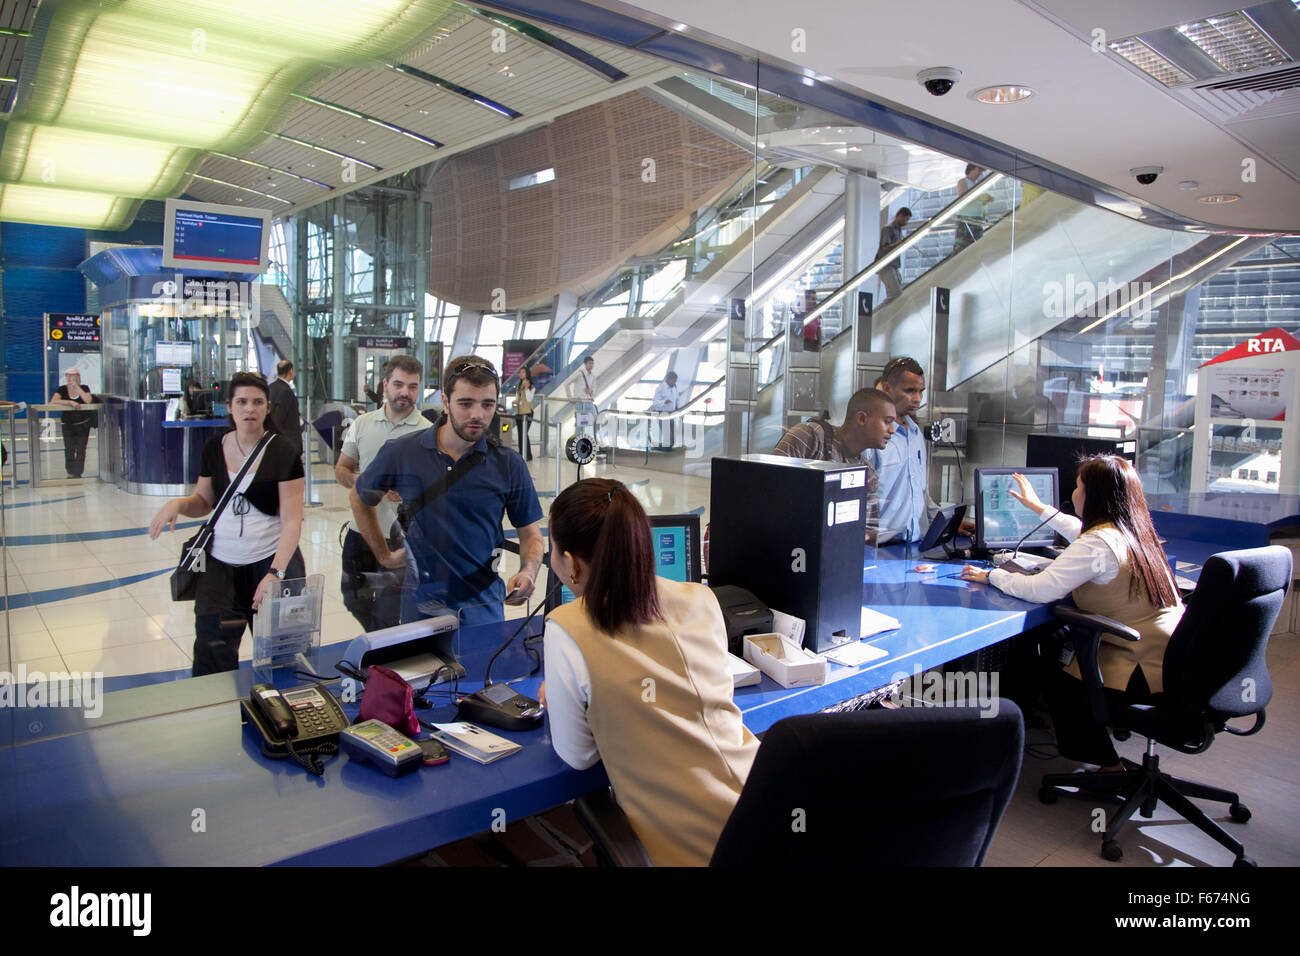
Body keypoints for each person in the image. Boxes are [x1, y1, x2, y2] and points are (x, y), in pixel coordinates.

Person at [543, 478, 759, 866]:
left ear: (571, 563)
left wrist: (567, 699)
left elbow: (579, 757)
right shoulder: (701, 598)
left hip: (693, 852)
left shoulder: (567, 628)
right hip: (767, 813)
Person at [959, 457, 1184, 770]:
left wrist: (991, 576)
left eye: (1078, 487)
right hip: (1168, 658)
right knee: (1051, 640)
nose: (1073, 493)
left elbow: (1040, 590)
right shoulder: (1133, 531)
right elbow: (1081, 531)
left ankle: (1106, 766)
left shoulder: (1099, 543)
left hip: (1137, 666)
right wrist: (1039, 508)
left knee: (1046, 670)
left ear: (1093, 495)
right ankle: (1001, 732)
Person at [351, 355, 544, 628]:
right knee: (421, 669)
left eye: (487, 404)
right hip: (420, 606)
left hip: (482, 605)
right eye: (465, 403)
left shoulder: (507, 463)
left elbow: (530, 533)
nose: (477, 415)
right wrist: (383, 555)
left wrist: (529, 571)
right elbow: (360, 497)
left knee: (481, 668)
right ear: (445, 402)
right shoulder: (403, 452)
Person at [149, 371, 306, 676]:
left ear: (268, 408)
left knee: (282, 654)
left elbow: (292, 521)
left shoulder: (284, 452)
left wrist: (276, 572)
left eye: (258, 402)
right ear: (229, 407)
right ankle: (216, 714)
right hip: (220, 569)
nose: (250, 409)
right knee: (212, 653)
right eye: (242, 402)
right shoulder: (214, 447)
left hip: (269, 563)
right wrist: (178, 505)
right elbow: (204, 501)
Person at [334, 355, 431, 632]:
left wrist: (412, 492)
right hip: (360, 529)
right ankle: (378, 642)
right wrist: (365, 483)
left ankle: (383, 660)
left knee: (389, 611)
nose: (405, 393)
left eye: (413, 387)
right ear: (385, 385)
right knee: (352, 598)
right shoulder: (361, 424)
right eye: (399, 384)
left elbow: (437, 488)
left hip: (401, 535)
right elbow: (342, 470)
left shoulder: (428, 433)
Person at [773, 387, 896, 542]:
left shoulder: (867, 473)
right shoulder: (811, 436)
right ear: (862, 419)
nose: (892, 430)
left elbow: (868, 534)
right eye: (887, 422)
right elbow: (770, 486)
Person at [867, 357, 941, 543]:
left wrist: (942, 520)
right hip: (883, 547)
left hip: (916, 545)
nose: (917, 399)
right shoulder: (872, 437)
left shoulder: (916, 434)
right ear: (886, 388)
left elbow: (918, 490)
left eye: (920, 392)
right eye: (909, 391)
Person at [49, 368, 96, 478]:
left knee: (81, 448)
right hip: (68, 424)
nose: (70, 378)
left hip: (83, 424)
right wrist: (70, 402)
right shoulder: (62, 389)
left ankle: (78, 472)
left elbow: (88, 400)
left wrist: (77, 387)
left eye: (73, 376)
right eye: (68, 376)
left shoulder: (84, 388)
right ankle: (70, 471)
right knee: (69, 448)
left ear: (78, 377)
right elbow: (53, 401)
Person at [953, 164, 993, 255]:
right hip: (966, 219)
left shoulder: (976, 184)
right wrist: (979, 198)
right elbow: (962, 198)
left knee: (977, 248)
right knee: (962, 246)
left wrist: (984, 201)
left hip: (976, 220)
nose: (979, 174)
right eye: (979, 171)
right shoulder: (963, 182)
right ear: (973, 169)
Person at [876, 207, 912, 300]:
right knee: (896, 294)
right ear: (900, 216)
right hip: (886, 265)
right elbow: (885, 247)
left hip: (893, 265)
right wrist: (899, 243)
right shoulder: (888, 229)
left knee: (894, 293)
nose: (906, 222)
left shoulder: (898, 230)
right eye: (906, 219)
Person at [269, 360, 301, 454]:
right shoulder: (286, 391)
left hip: (276, 438)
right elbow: (280, 417)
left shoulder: (271, 387)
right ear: (291, 371)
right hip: (288, 440)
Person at [650, 370, 680, 449]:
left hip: (672, 414)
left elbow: (677, 400)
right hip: (662, 414)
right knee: (667, 436)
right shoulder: (660, 388)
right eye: (673, 381)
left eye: (675, 381)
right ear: (668, 379)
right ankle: (659, 448)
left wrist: (678, 410)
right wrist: (664, 402)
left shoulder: (674, 388)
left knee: (673, 438)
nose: (674, 383)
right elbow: (655, 403)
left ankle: (665, 448)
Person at [512, 365, 535, 462]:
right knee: (520, 433)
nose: (520, 374)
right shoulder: (519, 385)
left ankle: (528, 455)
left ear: (527, 374)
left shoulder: (531, 386)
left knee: (524, 433)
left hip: (527, 413)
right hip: (519, 412)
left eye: (523, 372)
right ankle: (522, 452)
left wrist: (526, 388)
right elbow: (518, 398)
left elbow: (529, 399)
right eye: (520, 372)